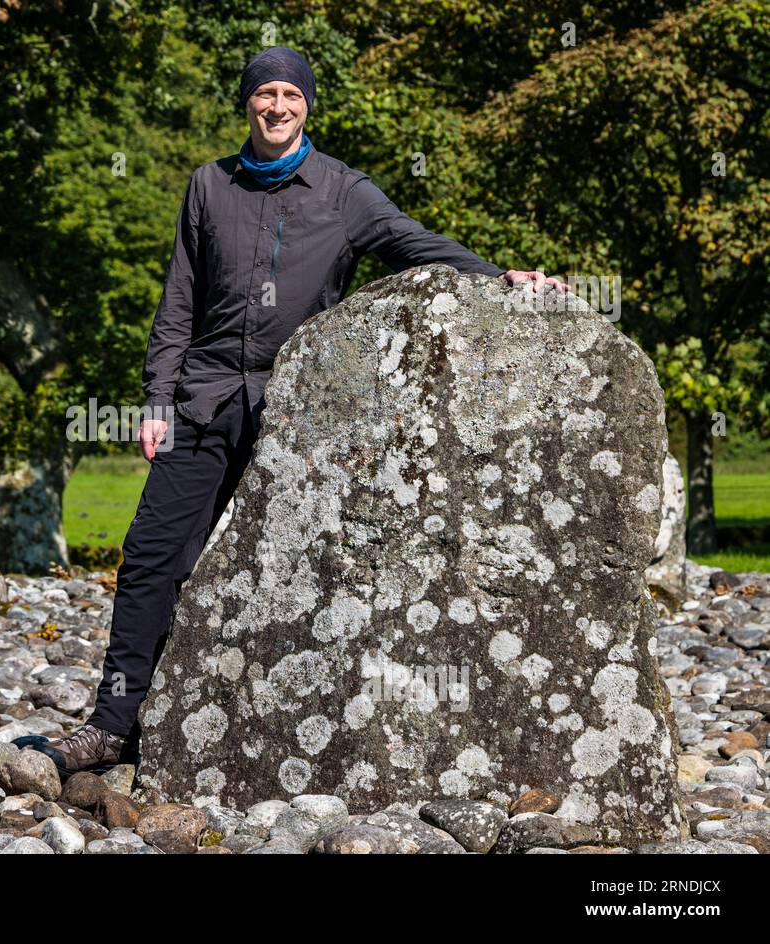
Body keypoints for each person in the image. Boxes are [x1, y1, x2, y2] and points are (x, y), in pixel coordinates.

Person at [33, 46, 569, 777]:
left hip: (299, 409)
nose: (277, 106)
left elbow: (417, 246)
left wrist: (499, 275)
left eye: (290, 94)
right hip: (205, 398)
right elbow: (178, 303)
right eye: (264, 95)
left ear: (307, 104)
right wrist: (159, 398)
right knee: (153, 559)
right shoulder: (207, 187)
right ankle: (113, 724)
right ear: (247, 104)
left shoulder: (345, 193)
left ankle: (298, 733)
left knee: (304, 571)